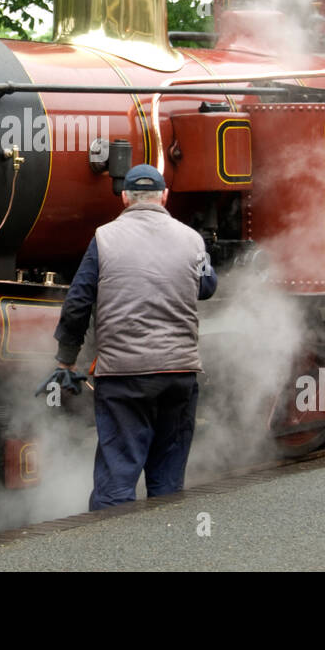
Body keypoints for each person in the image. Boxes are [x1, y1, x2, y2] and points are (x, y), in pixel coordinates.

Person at [53, 163, 217, 510]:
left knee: (117, 477)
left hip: (124, 377)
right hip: (178, 374)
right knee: (168, 480)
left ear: (124, 198)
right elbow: (207, 287)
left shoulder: (103, 238)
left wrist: (66, 357)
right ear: (165, 197)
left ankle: (114, 555)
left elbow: (78, 301)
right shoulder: (192, 239)